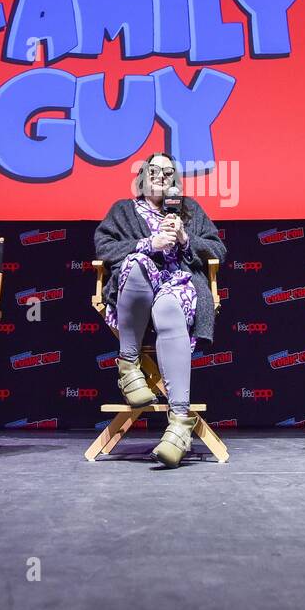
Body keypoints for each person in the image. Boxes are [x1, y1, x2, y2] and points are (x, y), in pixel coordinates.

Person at [93, 153, 226, 467]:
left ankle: (180, 422)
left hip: (176, 285)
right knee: (138, 262)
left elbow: (218, 248)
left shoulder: (189, 210)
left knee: (168, 307)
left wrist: (185, 239)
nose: (161, 177)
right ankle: (128, 366)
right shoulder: (123, 210)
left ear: (175, 181)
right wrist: (148, 244)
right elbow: (104, 248)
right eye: (154, 171)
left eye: (168, 173)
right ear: (142, 177)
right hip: (134, 288)